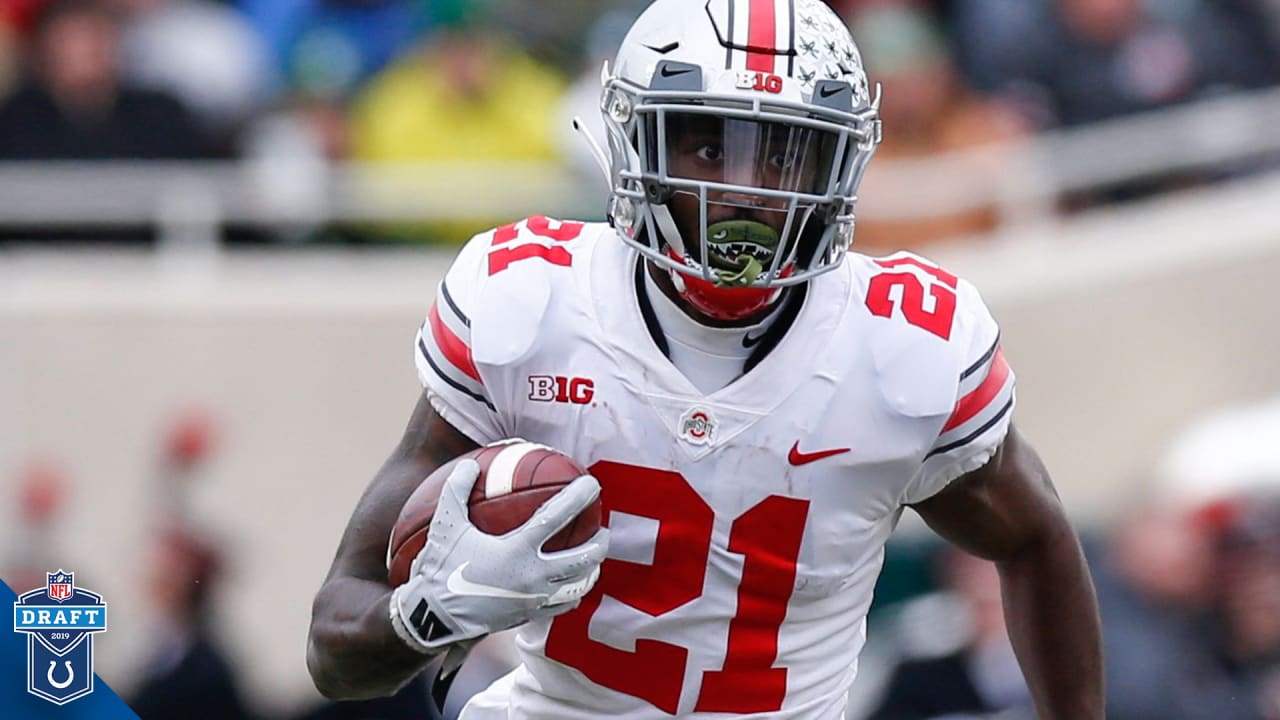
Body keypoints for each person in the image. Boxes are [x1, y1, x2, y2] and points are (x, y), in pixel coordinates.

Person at [306, 1, 1104, 718]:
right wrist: (428, 613)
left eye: (783, 154)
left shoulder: (902, 349)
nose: (749, 193)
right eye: (709, 148)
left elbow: (1035, 541)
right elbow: (334, 652)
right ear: (637, 142)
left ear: (842, 163)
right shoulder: (533, 305)